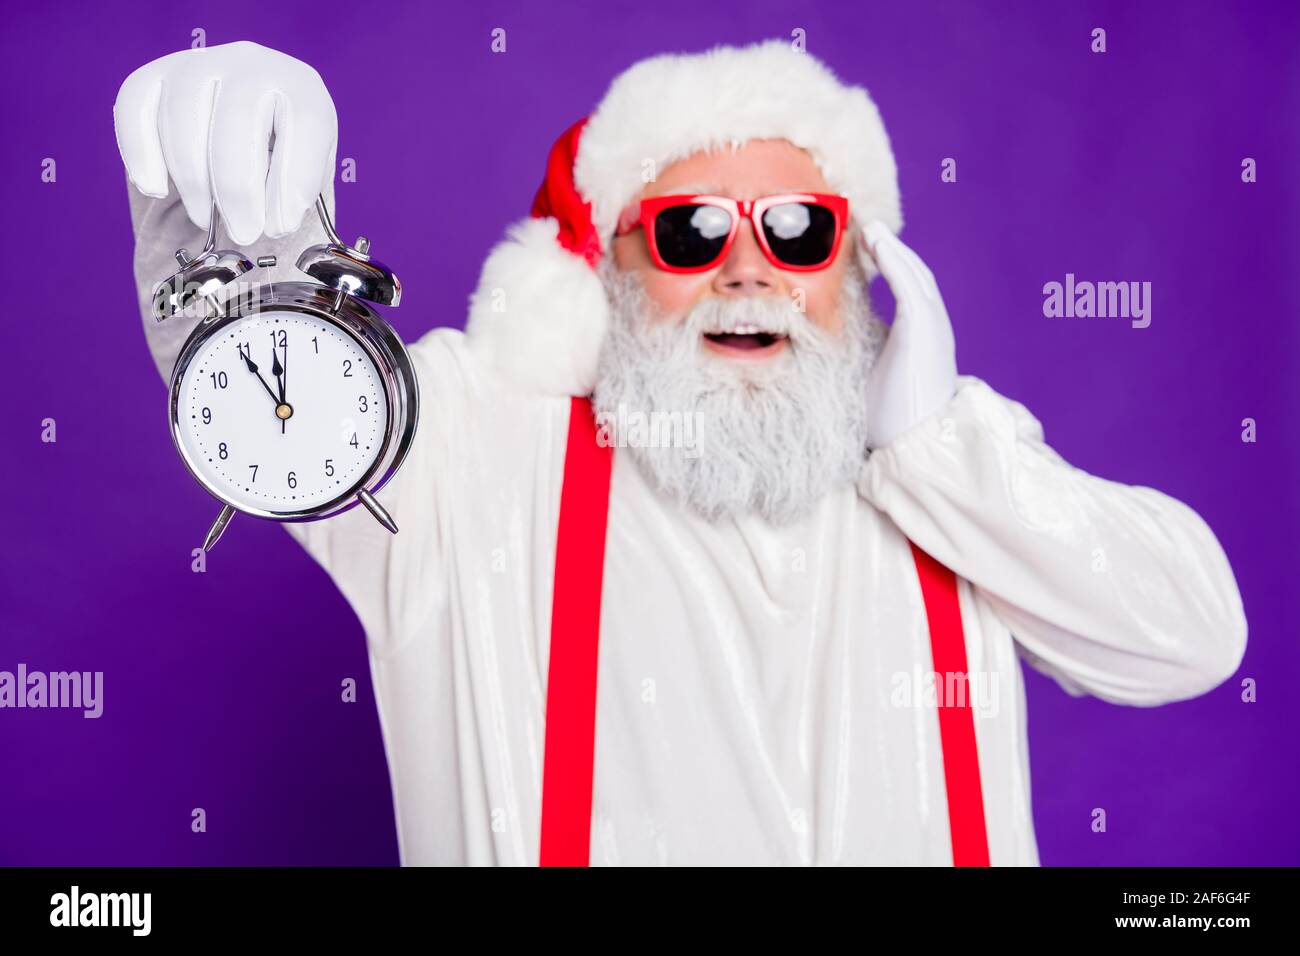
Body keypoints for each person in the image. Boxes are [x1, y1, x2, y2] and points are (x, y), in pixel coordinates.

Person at [114, 39, 1247, 866]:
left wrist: (941, 448)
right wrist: (251, 258)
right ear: (605, 267)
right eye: (691, 231)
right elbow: (294, 409)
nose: (747, 270)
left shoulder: (954, 470)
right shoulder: (471, 445)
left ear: (857, 262)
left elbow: (1190, 635)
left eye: (797, 229)